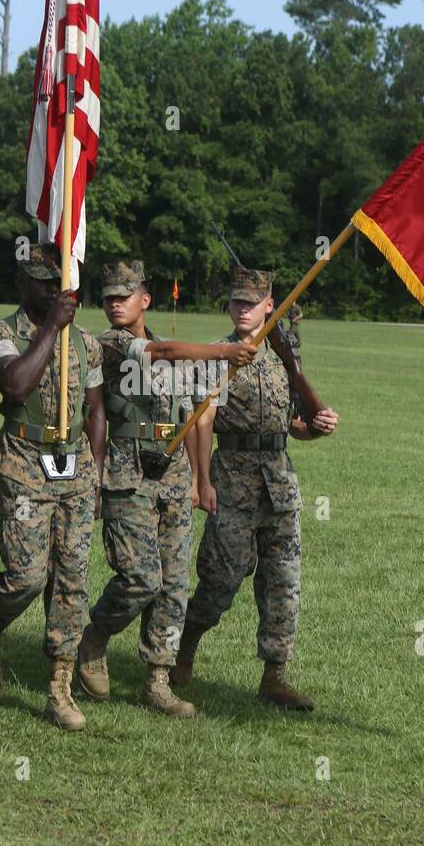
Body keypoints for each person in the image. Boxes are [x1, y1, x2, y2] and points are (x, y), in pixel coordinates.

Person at [77, 260, 257, 717]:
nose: (114, 303)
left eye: (124, 295)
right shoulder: (113, 344)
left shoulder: (173, 353)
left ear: (145, 299)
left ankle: (157, 680)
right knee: (141, 578)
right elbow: (162, 352)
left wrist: (200, 479)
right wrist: (222, 352)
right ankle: (95, 637)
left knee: (174, 584)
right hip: (127, 473)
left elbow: (192, 415)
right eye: (108, 297)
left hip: (173, 476)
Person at [172, 267, 339, 709]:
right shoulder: (216, 356)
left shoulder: (285, 360)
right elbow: (200, 424)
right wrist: (201, 481)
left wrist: (317, 426)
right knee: (221, 578)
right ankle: (186, 643)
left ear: (270, 306)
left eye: (251, 302)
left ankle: (274, 677)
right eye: (236, 302)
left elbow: (293, 426)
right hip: (232, 483)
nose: (243, 309)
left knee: (283, 582)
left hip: (280, 486)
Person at [0, 244, 105, 732]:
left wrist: (96, 474)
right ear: (21, 283)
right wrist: (50, 329)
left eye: (59, 281)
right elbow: (16, 385)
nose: (52, 290)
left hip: (77, 470)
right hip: (24, 463)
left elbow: (96, 411)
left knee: (71, 579)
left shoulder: (87, 343)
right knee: (26, 576)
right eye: (42, 281)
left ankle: (59, 688)